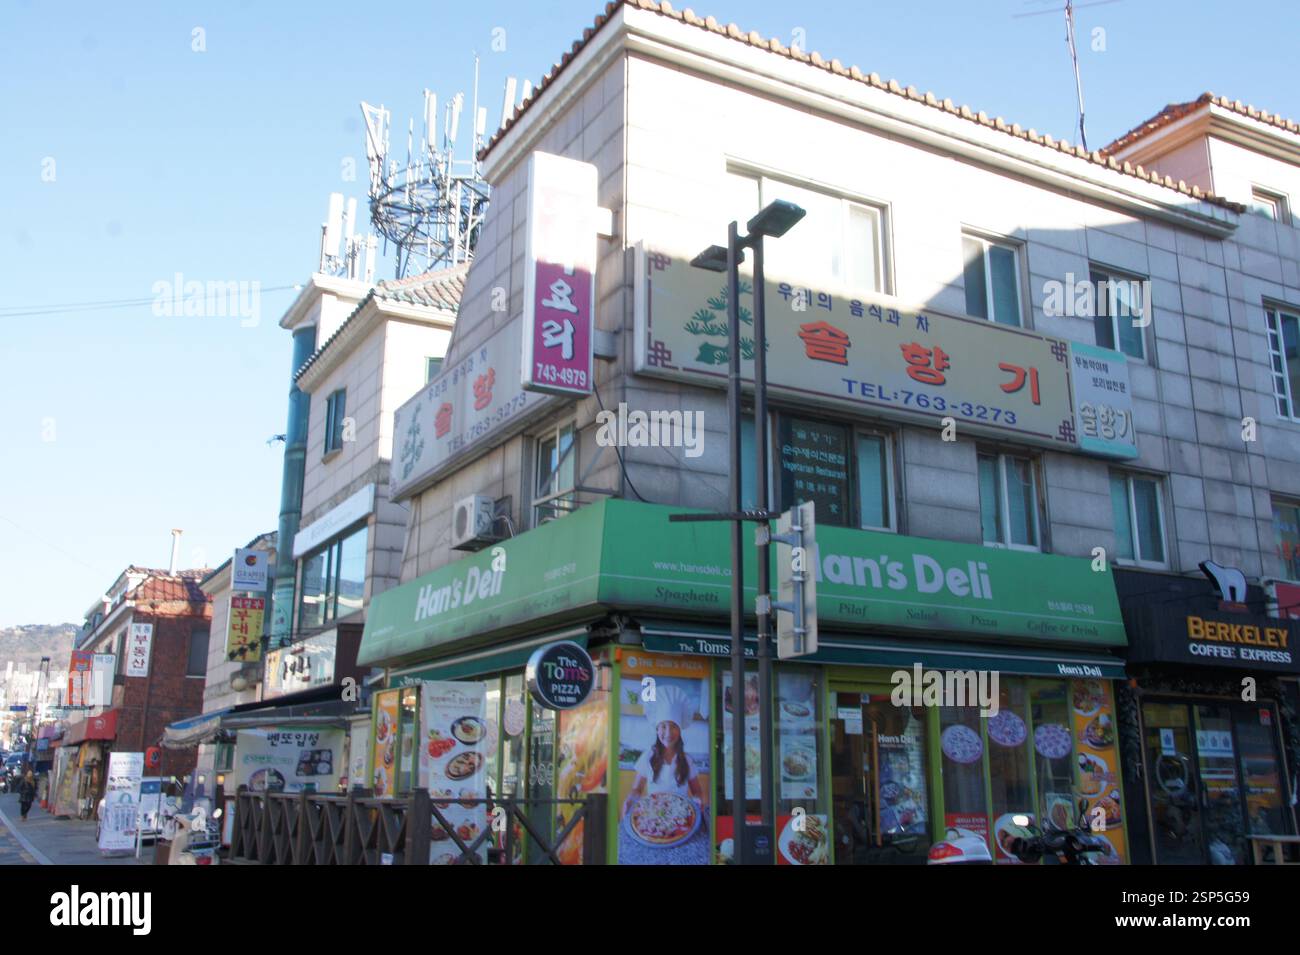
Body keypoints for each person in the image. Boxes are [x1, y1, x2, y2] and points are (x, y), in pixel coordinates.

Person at [621, 685, 708, 819]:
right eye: (663, 726)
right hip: (653, 816)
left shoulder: (687, 760)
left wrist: (699, 799)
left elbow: (697, 791)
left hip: (680, 817)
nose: (668, 733)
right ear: (657, 729)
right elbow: (637, 789)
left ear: (680, 730)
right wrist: (630, 798)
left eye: (674, 727)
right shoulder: (647, 757)